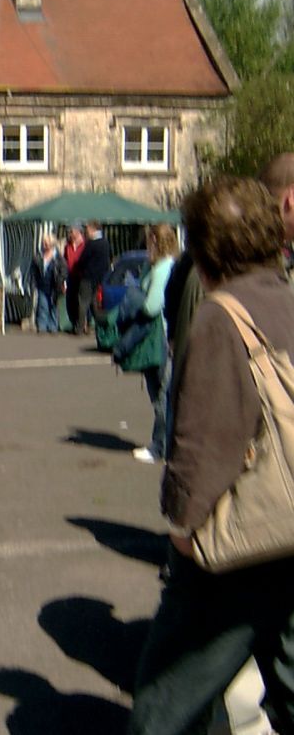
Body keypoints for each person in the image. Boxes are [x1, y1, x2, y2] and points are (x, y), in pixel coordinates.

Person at [129, 176, 294, 735]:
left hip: (241, 545)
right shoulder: (288, 299)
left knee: (167, 701)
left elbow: (204, 442)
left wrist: (182, 523)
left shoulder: (223, 317)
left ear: (202, 246)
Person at [127, 223, 178, 464]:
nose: (147, 246)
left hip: (159, 340)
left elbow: (152, 305)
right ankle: (164, 444)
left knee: (162, 395)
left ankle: (160, 447)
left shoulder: (163, 268)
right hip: (158, 339)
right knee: (161, 394)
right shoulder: (156, 266)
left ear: (157, 242)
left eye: (150, 242)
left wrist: (136, 297)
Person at [74, 220, 111, 334]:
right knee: (94, 303)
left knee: (83, 302)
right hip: (100, 278)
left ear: (92, 229)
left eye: (88, 229)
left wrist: (79, 267)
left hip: (88, 277)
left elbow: (83, 260)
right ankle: (101, 325)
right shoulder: (105, 243)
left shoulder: (91, 244)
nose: (86, 231)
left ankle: (79, 328)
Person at [27, 233, 67, 334]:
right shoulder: (38, 256)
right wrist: (32, 283)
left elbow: (64, 271)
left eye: (46, 243)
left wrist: (61, 282)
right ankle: (42, 326)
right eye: (43, 243)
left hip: (54, 286)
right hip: (42, 285)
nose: (44, 245)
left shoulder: (59, 258)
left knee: (53, 306)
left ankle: (53, 327)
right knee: (42, 306)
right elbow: (33, 271)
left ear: (52, 244)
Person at [62, 221, 85, 331]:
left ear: (78, 231)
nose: (69, 233)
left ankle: (82, 324)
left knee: (81, 302)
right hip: (70, 277)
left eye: (71, 231)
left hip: (82, 278)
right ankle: (74, 322)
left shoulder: (85, 246)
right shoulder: (67, 246)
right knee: (70, 302)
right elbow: (65, 261)